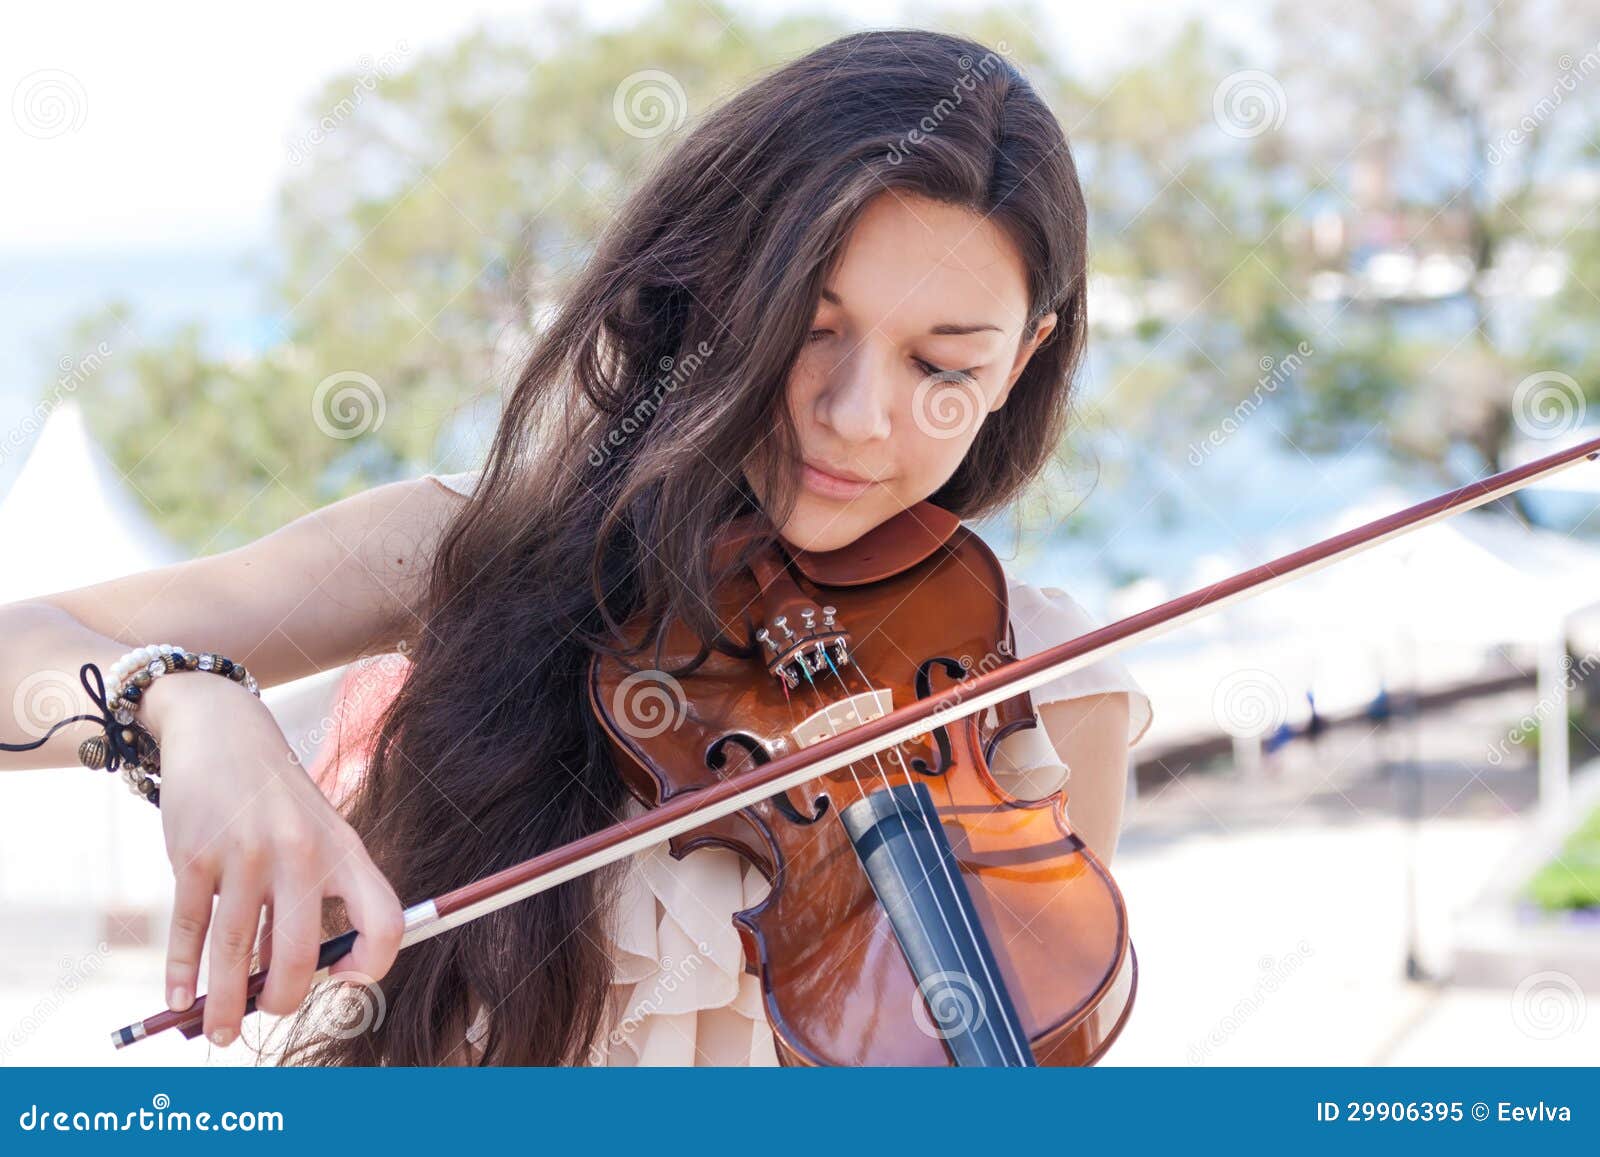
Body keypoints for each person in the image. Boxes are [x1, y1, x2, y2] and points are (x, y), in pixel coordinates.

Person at [0, 28, 1151, 1066]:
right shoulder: (480, 546)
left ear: (1021, 362)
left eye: (942, 364)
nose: (855, 416)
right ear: (712, 296)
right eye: (811, 328)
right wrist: (188, 701)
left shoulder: (1045, 689)